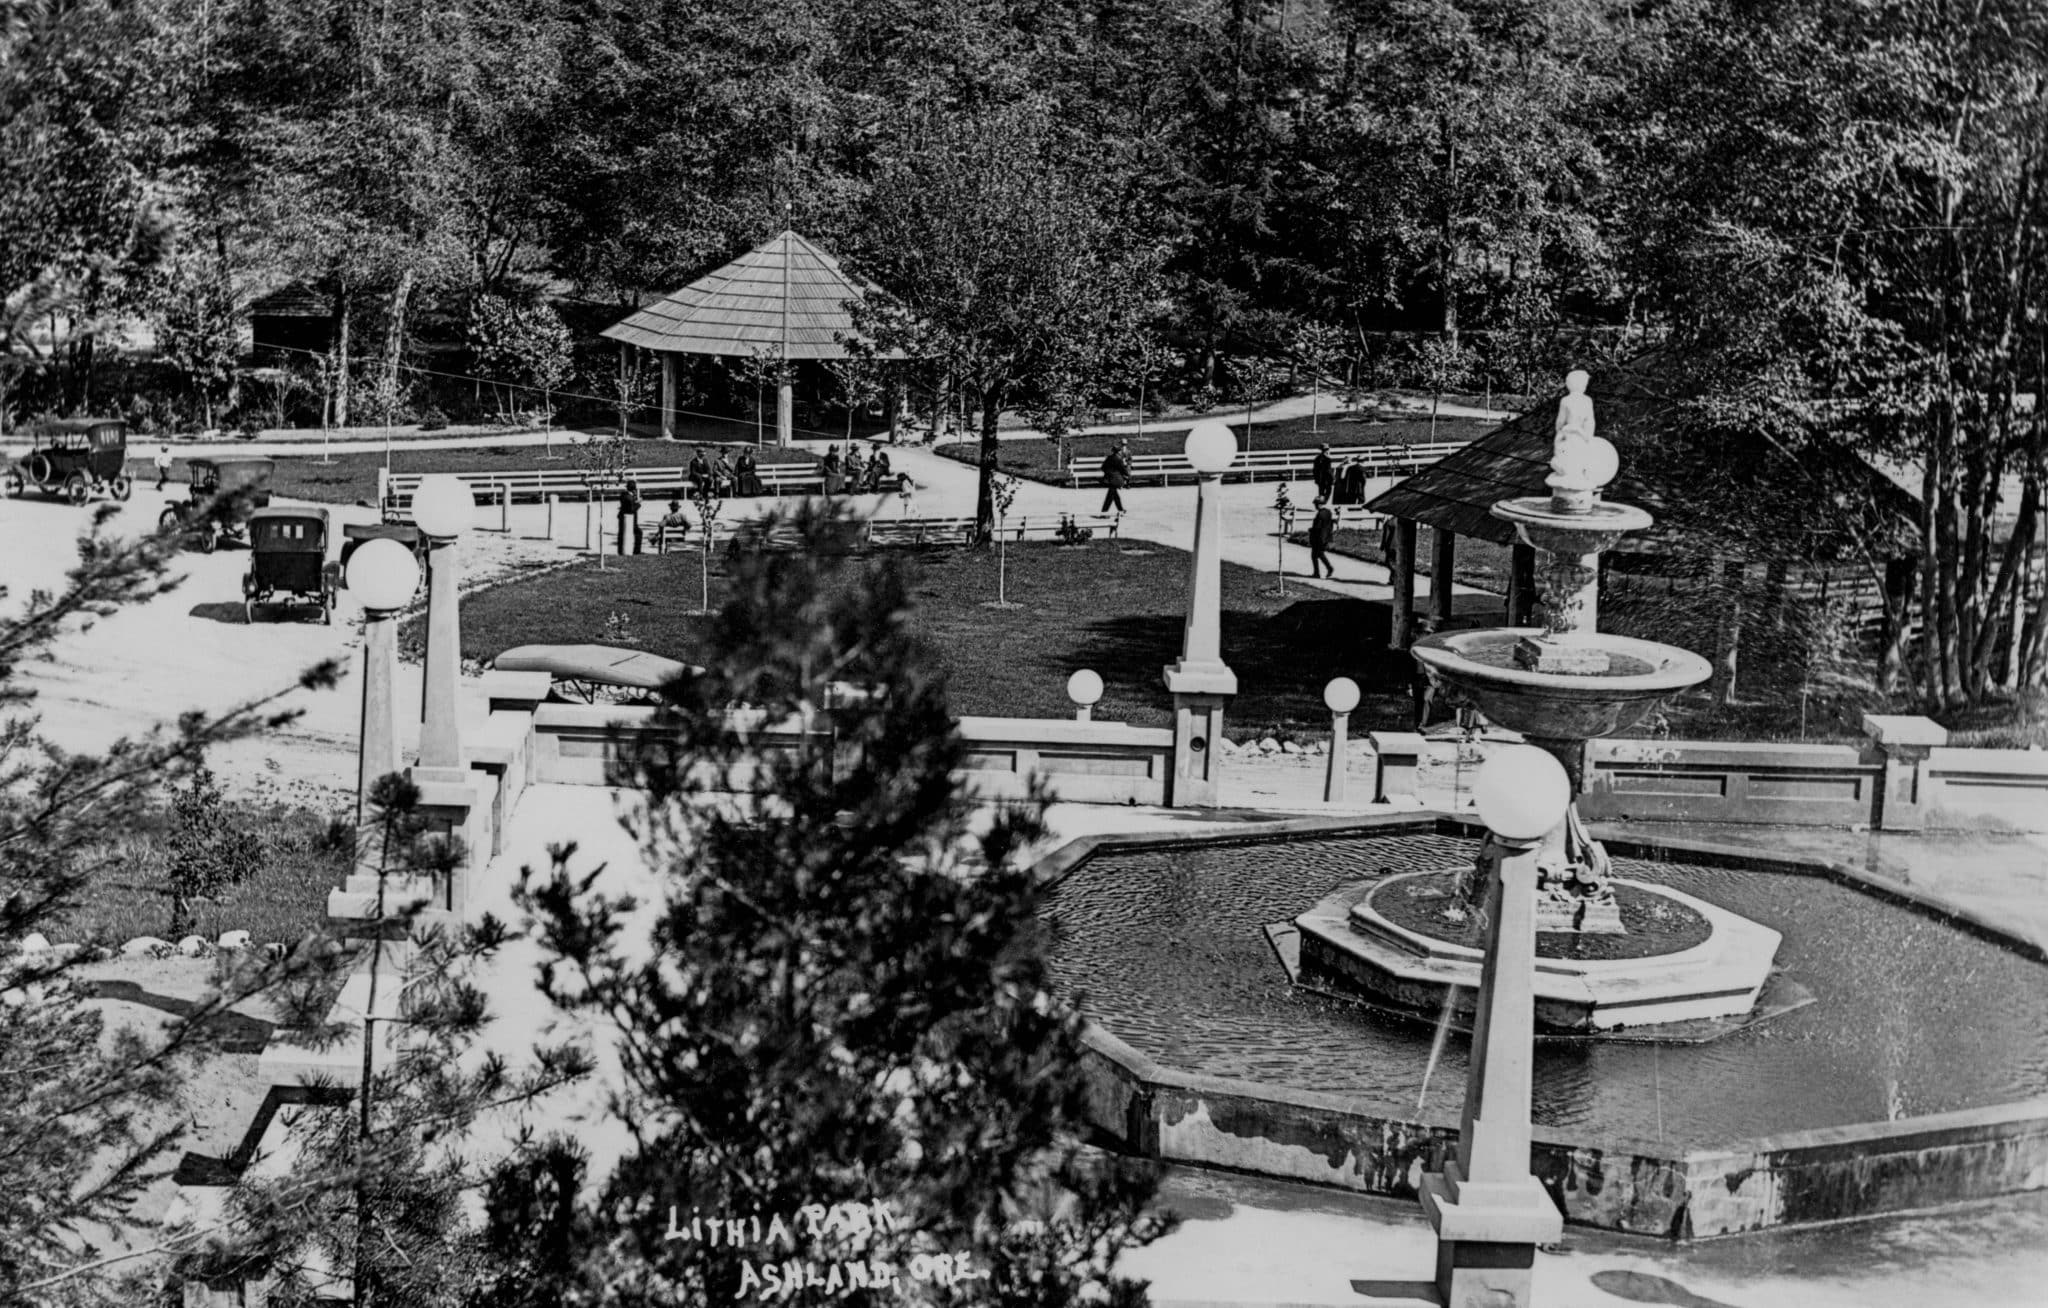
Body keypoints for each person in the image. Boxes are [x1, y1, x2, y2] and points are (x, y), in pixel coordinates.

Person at [1309, 493, 1337, 579]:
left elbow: (1317, 527)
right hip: (1326, 537)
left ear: (1319, 504)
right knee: (1318, 554)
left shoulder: (1320, 514)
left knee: (1317, 555)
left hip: (1319, 538)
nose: (1315, 506)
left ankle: (1326, 569)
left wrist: (1310, 530)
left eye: (1316, 504)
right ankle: (1320, 571)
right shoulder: (1328, 512)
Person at [1100, 440, 1130, 514]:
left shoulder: (1109, 458)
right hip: (1116, 480)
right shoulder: (1118, 460)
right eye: (1120, 451)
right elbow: (1123, 470)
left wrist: (1108, 473)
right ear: (1118, 452)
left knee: (1113, 495)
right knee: (1110, 496)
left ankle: (1120, 510)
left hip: (1109, 479)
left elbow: (1103, 467)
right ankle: (1104, 512)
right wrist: (1127, 474)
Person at [618, 477, 644, 554]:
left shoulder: (624, 495)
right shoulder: (629, 498)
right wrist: (638, 503)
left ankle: (621, 550)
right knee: (638, 533)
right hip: (629, 519)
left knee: (621, 534)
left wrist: (635, 500)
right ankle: (637, 551)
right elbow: (631, 509)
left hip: (624, 518)